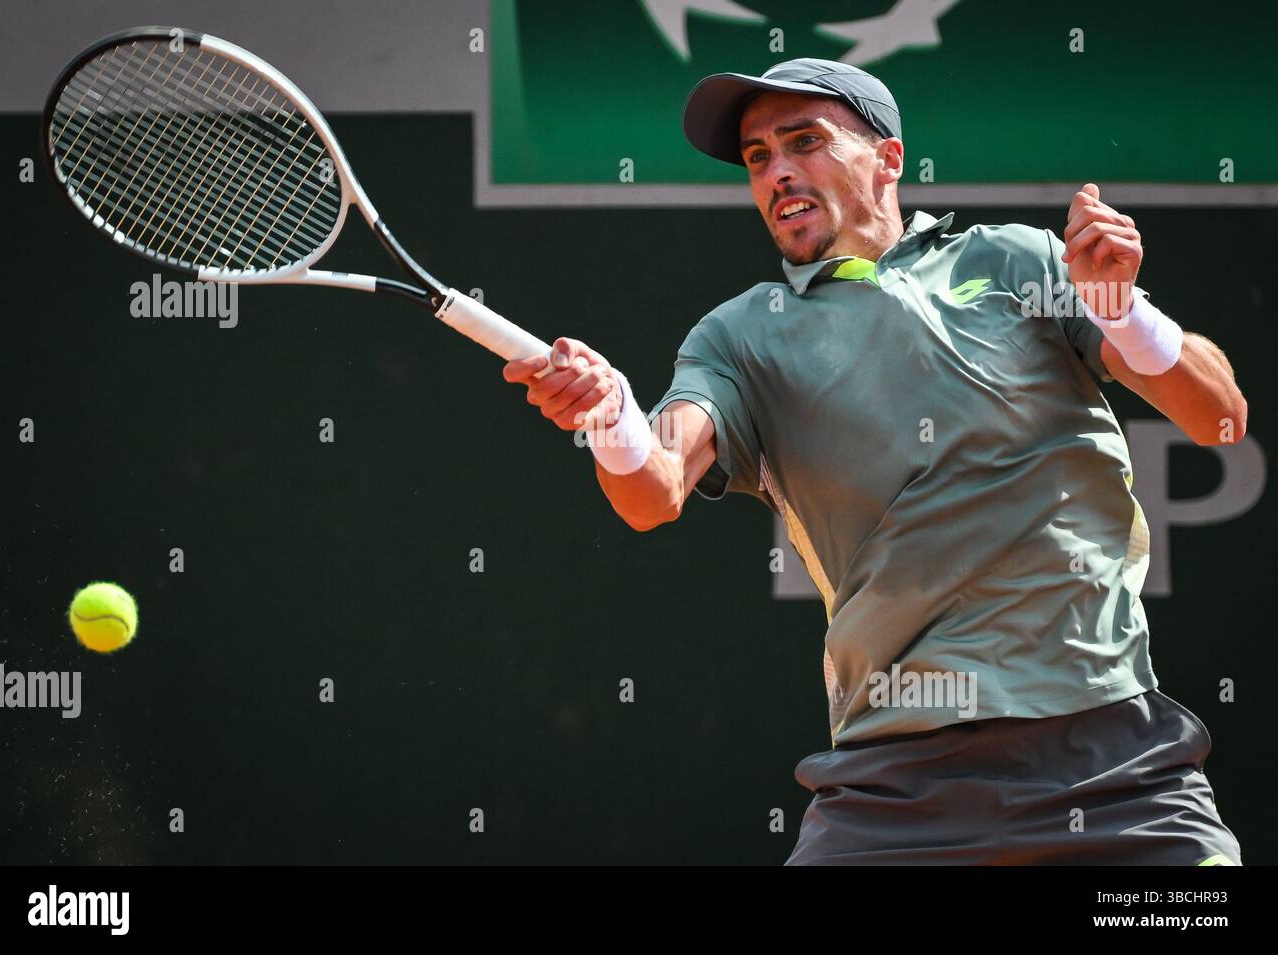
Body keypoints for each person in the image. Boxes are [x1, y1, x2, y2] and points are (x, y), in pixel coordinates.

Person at [502, 58, 1246, 865]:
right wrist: (612, 417)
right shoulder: (739, 338)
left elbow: (1220, 415)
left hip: (1113, 770)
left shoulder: (1018, 265)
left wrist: (1123, 311)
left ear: (889, 159)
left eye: (805, 141)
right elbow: (654, 490)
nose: (777, 170)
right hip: (894, 793)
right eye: (757, 157)